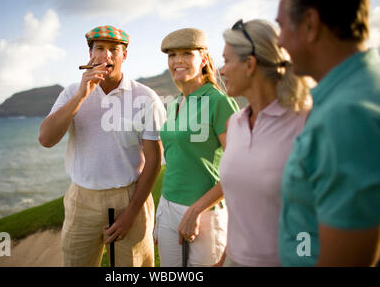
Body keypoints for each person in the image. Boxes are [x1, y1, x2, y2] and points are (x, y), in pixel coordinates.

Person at [276, 0, 380, 266]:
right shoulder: (359, 88)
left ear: (310, 23)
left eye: (282, 27)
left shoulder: (347, 115)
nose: (279, 41)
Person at [39, 25, 166, 267]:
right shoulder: (70, 93)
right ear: (90, 54)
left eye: (113, 50)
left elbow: (154, 160)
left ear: (124, 56)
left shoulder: (146, 97)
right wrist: (81, 96)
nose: (106, 55)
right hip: (81, 199)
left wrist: (131, 212)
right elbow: (46, 139)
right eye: (100, 49)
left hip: (129, 197)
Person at [215, 19, 312, 267]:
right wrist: (225, 259)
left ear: (250, 64)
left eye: (226, 61)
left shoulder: (305, 122)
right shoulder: (235, 124)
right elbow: (242, 208)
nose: (221, 70)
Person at [153, 28, 239, 267]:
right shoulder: (174, 105)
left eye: (186, 53)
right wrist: (162, 211)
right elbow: (176, 162)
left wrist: (196, 210)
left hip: (206, 213)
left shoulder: (219, 102)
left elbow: (239, 171)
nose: (177, 61)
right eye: (172, 55)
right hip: (167, 207)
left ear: (203, 59)